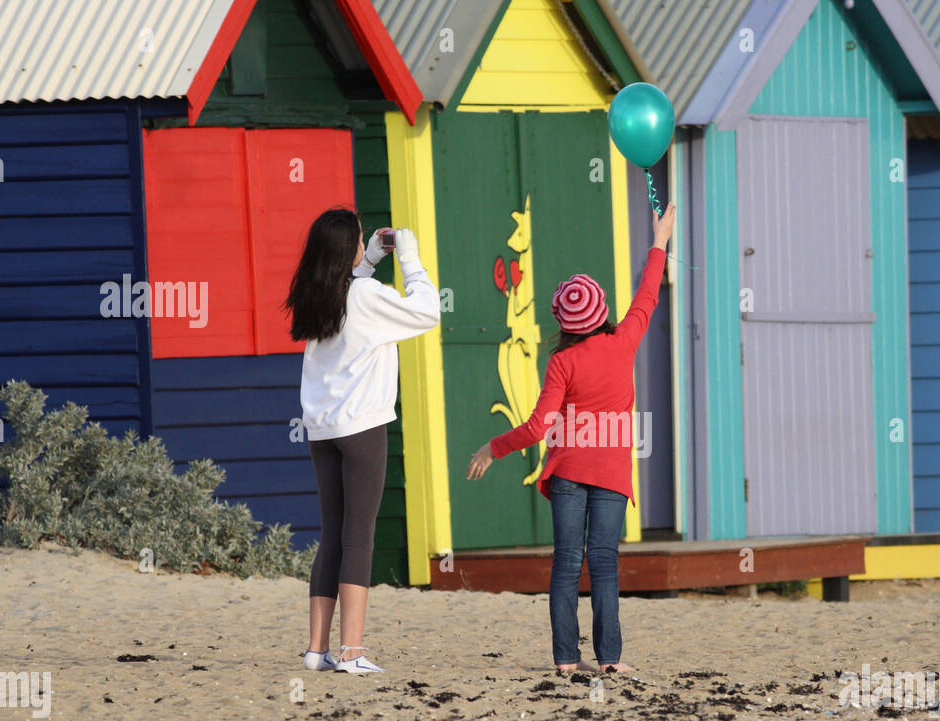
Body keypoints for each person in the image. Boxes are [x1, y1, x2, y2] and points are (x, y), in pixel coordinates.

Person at [467, 204, 676, 673]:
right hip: (610, 477)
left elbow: (539, 427)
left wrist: (493, 447)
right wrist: (659, 241)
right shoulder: (623, 342)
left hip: (566, 475)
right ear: (601, 312)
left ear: (564, 323)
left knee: (565, 565)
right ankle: (610, 661)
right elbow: (647, 296)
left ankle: (565, 660)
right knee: (603, 563)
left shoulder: (561, 362)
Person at [287, 208, 440, 674]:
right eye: (359, 240)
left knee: (332, 535)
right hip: (363, 427)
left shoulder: (315, 294)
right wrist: (410, 259)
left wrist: (369, 262)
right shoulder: (367, 296)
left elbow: (349, 290)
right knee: (360, 538)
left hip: (323, 430)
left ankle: (317, 650)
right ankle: (352, 650)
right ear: (349, 247)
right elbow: (428, 310)